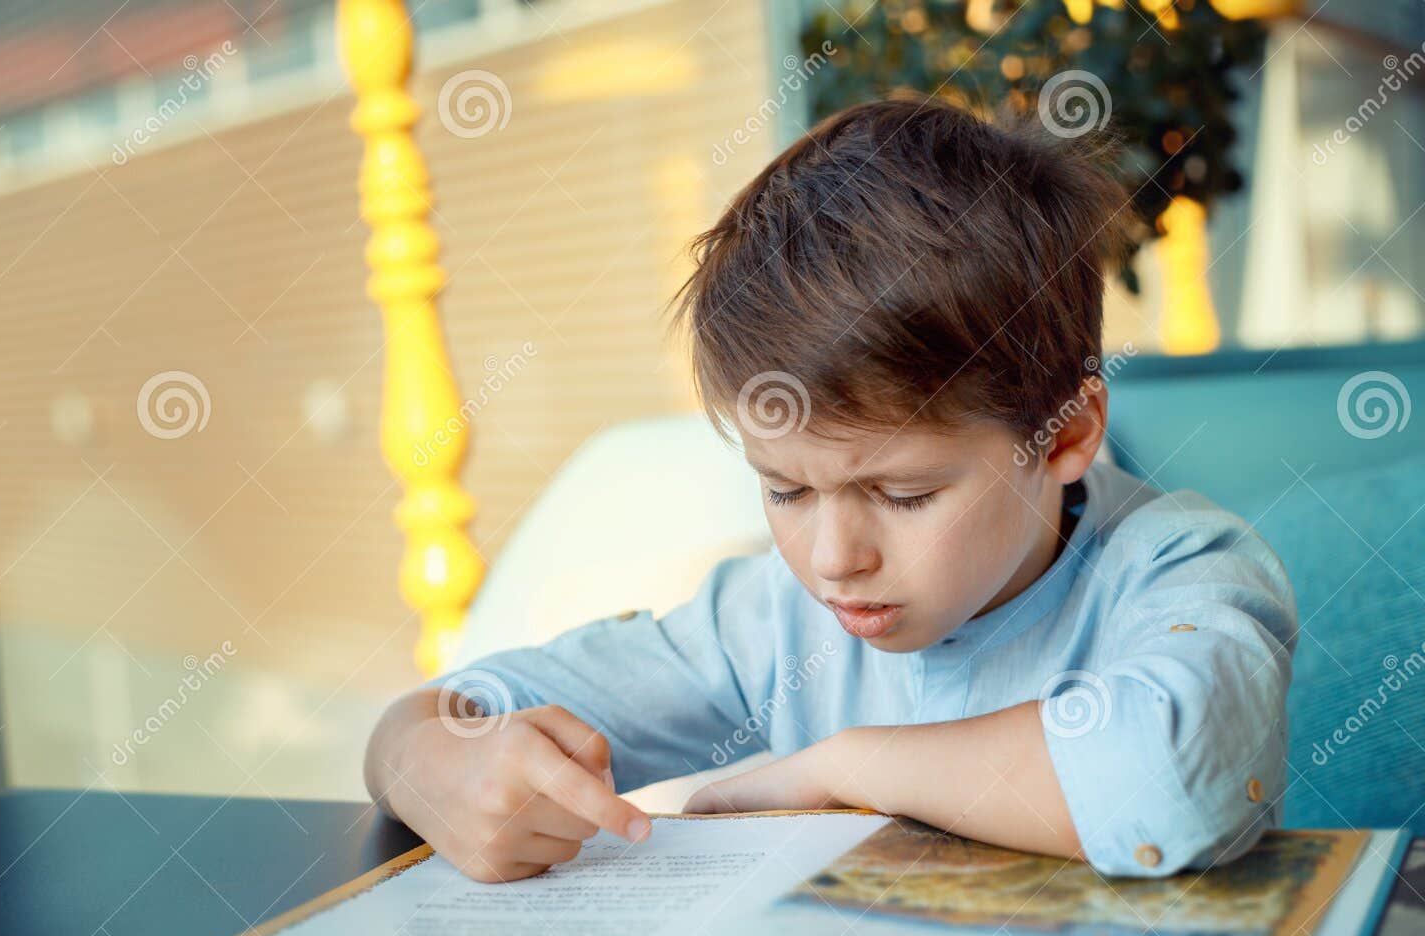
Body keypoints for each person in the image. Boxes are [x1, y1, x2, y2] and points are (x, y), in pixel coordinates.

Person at [363, 94, 1296, 885]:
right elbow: (461, 709)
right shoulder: (772, 620)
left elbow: (1174, 775)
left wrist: (847, 767)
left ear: (1067, 434)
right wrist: (422, 757)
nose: (833, 559)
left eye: (904, 494)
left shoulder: (1182, 569)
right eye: (785, 491)